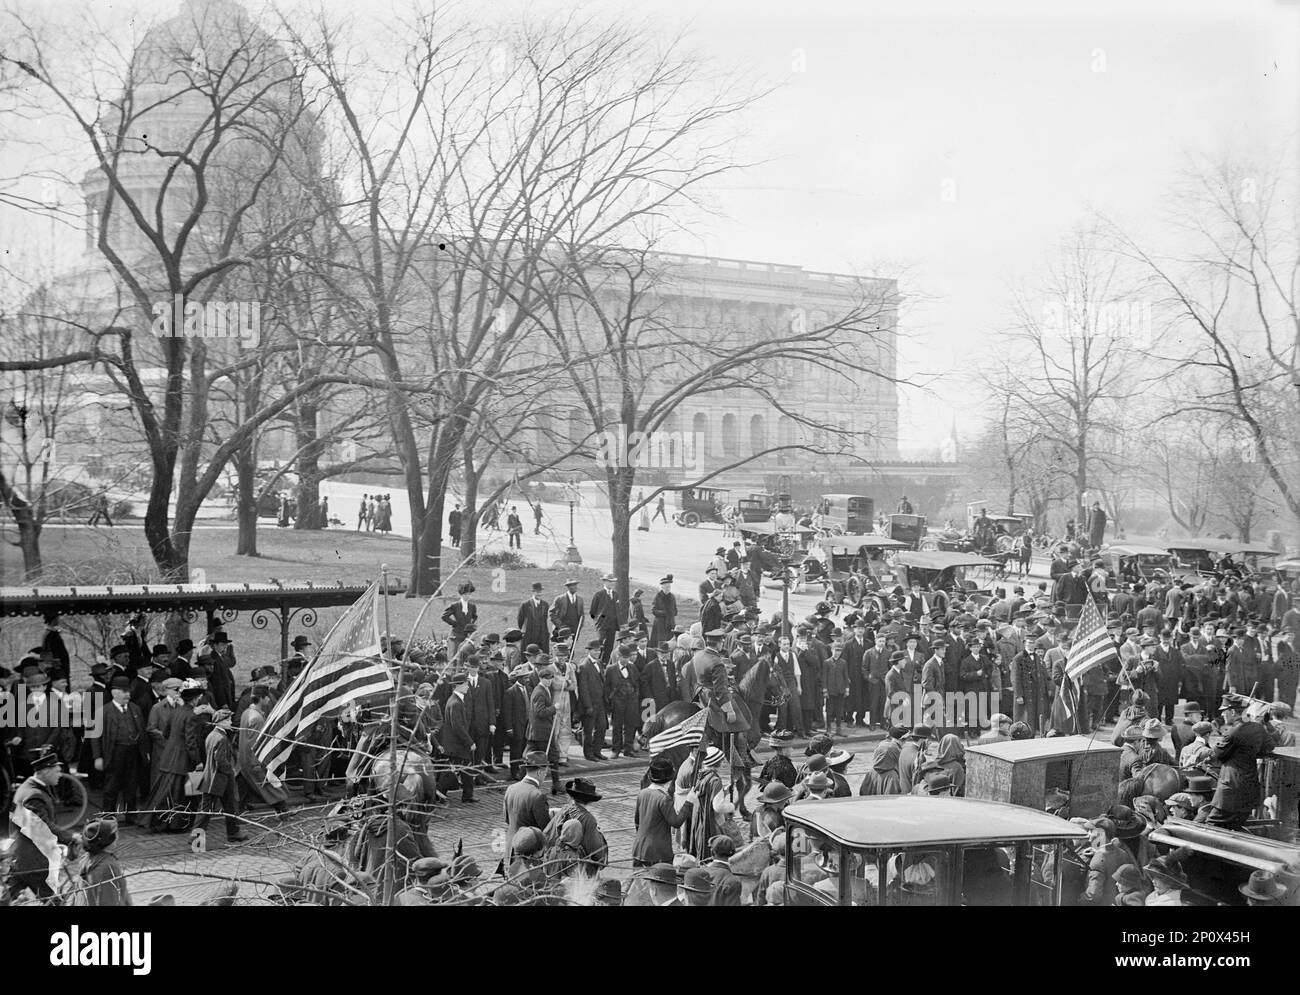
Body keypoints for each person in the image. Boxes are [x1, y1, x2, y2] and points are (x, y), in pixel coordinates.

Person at [5, 745, 78, 901]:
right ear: (46, 771)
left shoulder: (30, 788)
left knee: (5, 900)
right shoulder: (34, 795)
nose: (60, 774)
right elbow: (43, 828)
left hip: (21, 858)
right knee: (54, 903)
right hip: (34, 863)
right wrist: (70, 838)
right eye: (57, 771)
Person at [191, 709, 248, 846]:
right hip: (220, 779)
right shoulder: (221, 738)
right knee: (211, 810)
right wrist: (231, 771)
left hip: (211, 778)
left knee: (225, 807)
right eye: (227, 720)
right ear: (220, 722)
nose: (230, 722)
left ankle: (233, 832)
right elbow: (220, 760)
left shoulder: (212, 735)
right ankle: (197, 839)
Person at [632, 756, 695, 866]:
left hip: (639, 848)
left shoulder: (642, 793)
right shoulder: (664, 798)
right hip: (658, 853)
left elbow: (637, 822)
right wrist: (688, 802)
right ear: (669, 778)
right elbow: (676, 822)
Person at [502, 752, 552, 866]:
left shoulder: (511, 788)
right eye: (545, 774)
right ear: (540, 772)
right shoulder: (537, 795)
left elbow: (507, 820)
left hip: (510, 851)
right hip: (528, 855)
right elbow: (546, 828)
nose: (545, 777)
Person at [75, 816, 131, 906]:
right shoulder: (108, 868)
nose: (118, 837)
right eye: (115, 834)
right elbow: (109, 901)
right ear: (107, 841)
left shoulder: (87, 858)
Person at [440, 675, 477, 804]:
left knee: (465, 769)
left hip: (456, 744)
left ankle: (467, 795)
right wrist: (469, 742)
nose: (467, 686)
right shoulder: (455, 703)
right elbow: (458, 727)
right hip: (457, 744)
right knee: (451, 771)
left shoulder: (456, 700)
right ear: (458, 685)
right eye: (466, 684)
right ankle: (439, 793)